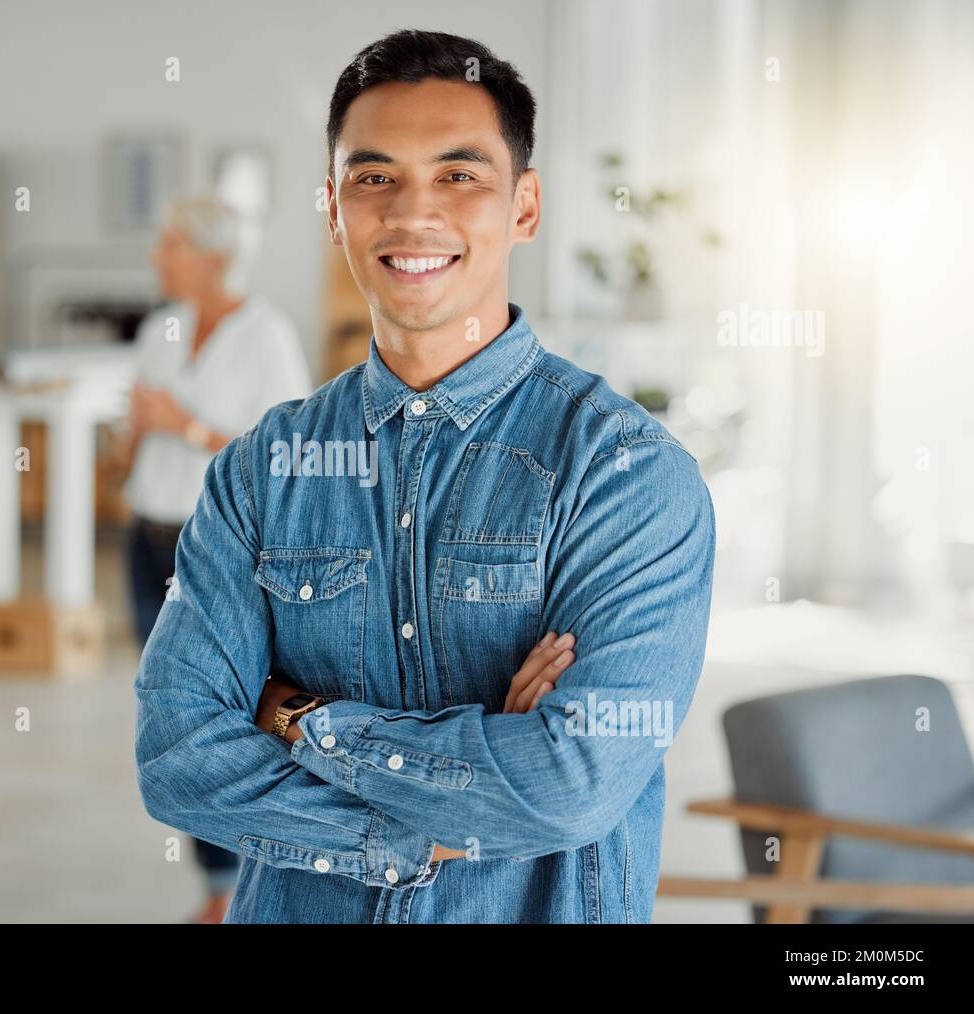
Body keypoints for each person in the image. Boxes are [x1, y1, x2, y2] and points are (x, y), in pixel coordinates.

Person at [134, 30, 715, 924]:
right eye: (375, 179)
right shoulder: (259, 470)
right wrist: (427, 817)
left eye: (459, 175)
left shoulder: (624, 472)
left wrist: (297, 718)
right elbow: (177, 754)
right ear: (333, 208)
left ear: (524, 207)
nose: (413, 214)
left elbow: (571, 783)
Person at [123, 194, 313, 923]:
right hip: (145, 534)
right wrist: (135, 433)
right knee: (169, 715)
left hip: (211, 550)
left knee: (224, 714)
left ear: (211, 255)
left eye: (168, 242)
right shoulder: (158, 329)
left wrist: (186, 424)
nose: (155, 256)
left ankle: (233, 887)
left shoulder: (266, 335)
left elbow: (284, 458)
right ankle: (214, 882)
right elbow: (133, 437)